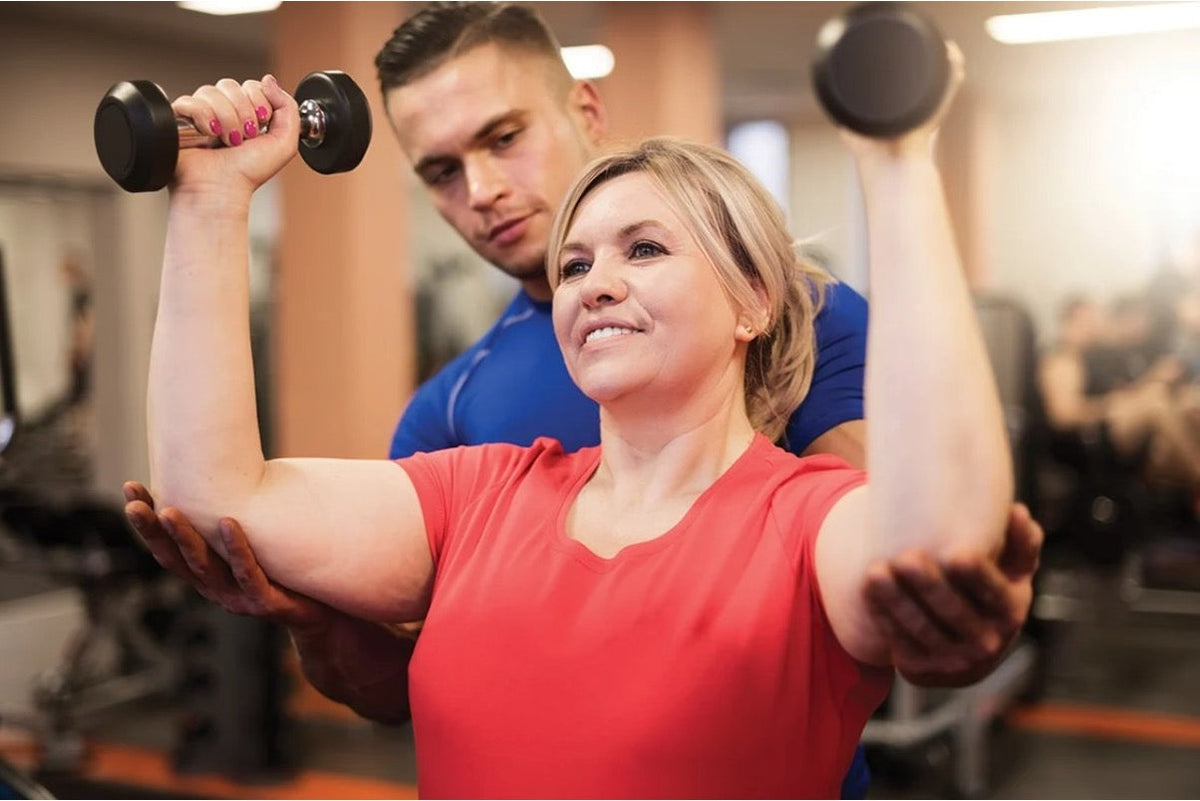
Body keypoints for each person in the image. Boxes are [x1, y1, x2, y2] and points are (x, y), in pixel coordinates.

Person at [124, 2, 1042, 795]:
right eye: (575, 264)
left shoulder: (799, 510)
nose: (594, 282)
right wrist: (208, 202)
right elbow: (222, 501)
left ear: (757, 300)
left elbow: (926, 547)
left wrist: (896, 156)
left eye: (643, 249)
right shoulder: (473, 481)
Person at [1040, 294, 1200, 492]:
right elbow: (1063, 416)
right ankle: (1196, 476)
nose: (1095, 326)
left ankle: (1178, 488)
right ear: (1073, 320)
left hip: (1109, 426)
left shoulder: (1092, 356)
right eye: (1090, 320)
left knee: (1186, 404)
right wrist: (1110, 405)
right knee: (1154, 402)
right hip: (1090, 438)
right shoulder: (1062, 358)